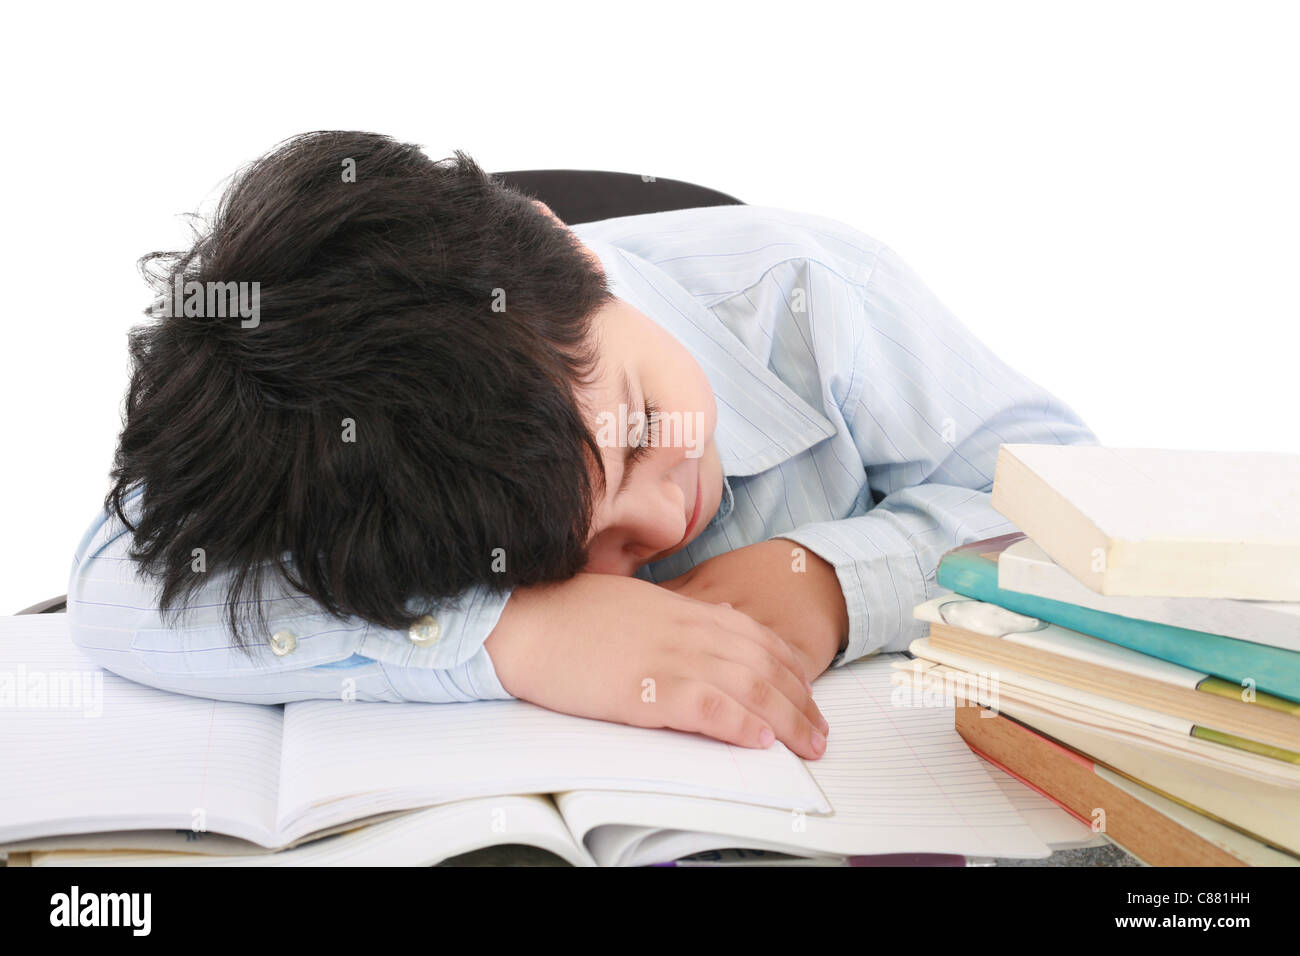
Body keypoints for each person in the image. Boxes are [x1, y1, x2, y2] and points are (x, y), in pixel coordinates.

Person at [67, 131, 1098, 762]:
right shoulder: (317, 457)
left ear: (567, 246)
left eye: (644, 428)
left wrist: (834, 579)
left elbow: (1068, 494)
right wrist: (517, 632)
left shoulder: (815, 296)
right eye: (571, 550)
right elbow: (116, 588)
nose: (661, 519)